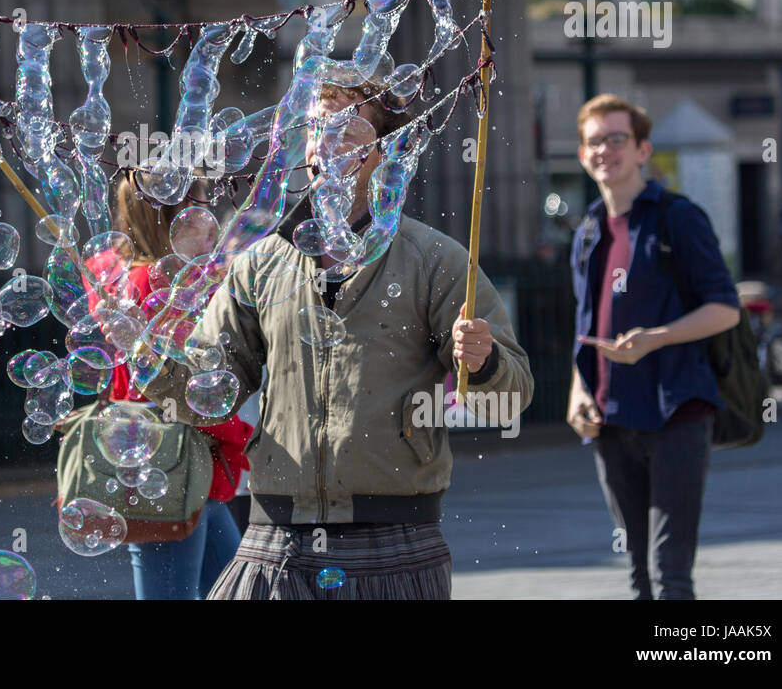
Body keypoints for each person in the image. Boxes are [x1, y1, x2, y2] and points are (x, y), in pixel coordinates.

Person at [138, 81, 533, 599]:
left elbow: (511, 397)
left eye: (346, 128)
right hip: (276, 533)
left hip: (397, 536)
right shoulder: (261, 261)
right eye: (317, 127)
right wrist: (149, 358)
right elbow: (209, 392)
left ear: (384, 151)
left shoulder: (435, 260)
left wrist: (482, 364)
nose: (326, 140)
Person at [566, 94, 740, 600]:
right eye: (594, 141)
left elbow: (725, 307)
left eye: (617, 139)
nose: (605, 150)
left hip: (677, 412)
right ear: (581, 154)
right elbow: (585, 325)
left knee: (670, 575)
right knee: (638, 577)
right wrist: (578, 392)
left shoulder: (677, 217)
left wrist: (654, 340)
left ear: (643, 151)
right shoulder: (589, 229)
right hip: (611, 420)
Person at [84, 172, 252, 600]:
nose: (213, 221)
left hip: (187, 467)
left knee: (235, 589)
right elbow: (180, 390)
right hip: (167, 463)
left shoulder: (128, 280)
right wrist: (239, 435)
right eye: (198, 210)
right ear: (170, 219)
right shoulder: (155, 286)